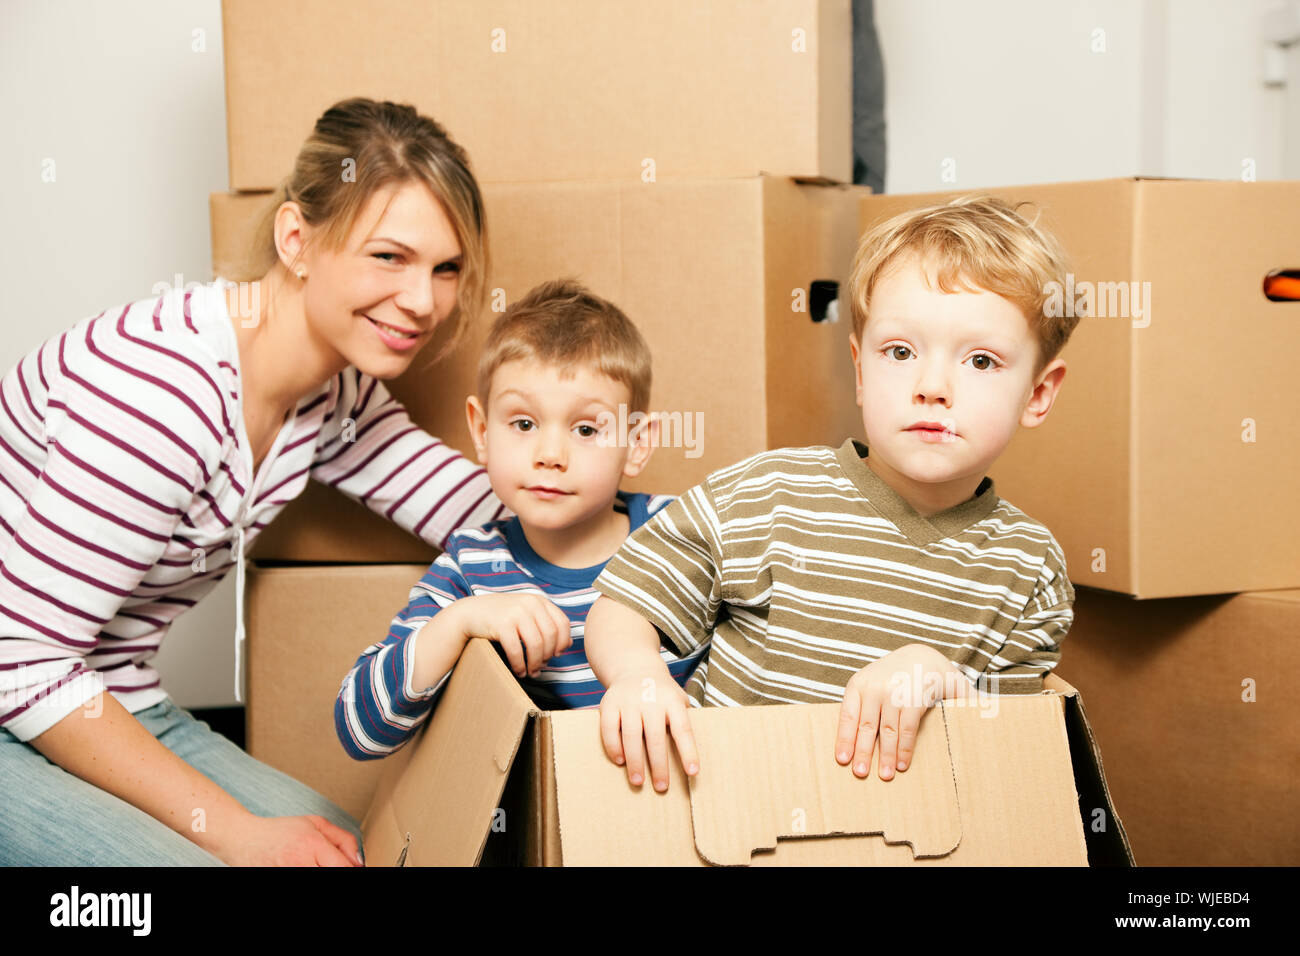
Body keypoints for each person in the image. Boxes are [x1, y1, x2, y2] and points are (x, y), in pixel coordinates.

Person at [0, 98, 506, 865]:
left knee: (356, 856)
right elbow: (21, 659)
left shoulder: (332, 394)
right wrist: (232, 832)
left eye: (446, 269)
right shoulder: (161, 395)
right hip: (16, 696)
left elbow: (479, 512)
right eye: (389, 257)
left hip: (114, 698)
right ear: (298, 239)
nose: (422, 301)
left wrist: (673, 546)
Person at [584, 195, 1081, 794]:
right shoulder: (766, 495)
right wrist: (638, 674)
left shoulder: (1030, 570)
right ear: (861, 368)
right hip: (726, 817)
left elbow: (1012, 771)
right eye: (900, 352)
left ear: (1038, 392)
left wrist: (945, 680)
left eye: (981, 360)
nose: (932, 387)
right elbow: (625, 603)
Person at [335, 279, 705, 759]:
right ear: (482, 431)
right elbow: (359, 731)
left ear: (636, 443)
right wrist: (460, 622)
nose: (550, 455)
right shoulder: (470, 567)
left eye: (586, 428)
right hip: (539, 818)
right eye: (524, 424)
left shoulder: (678, 535)